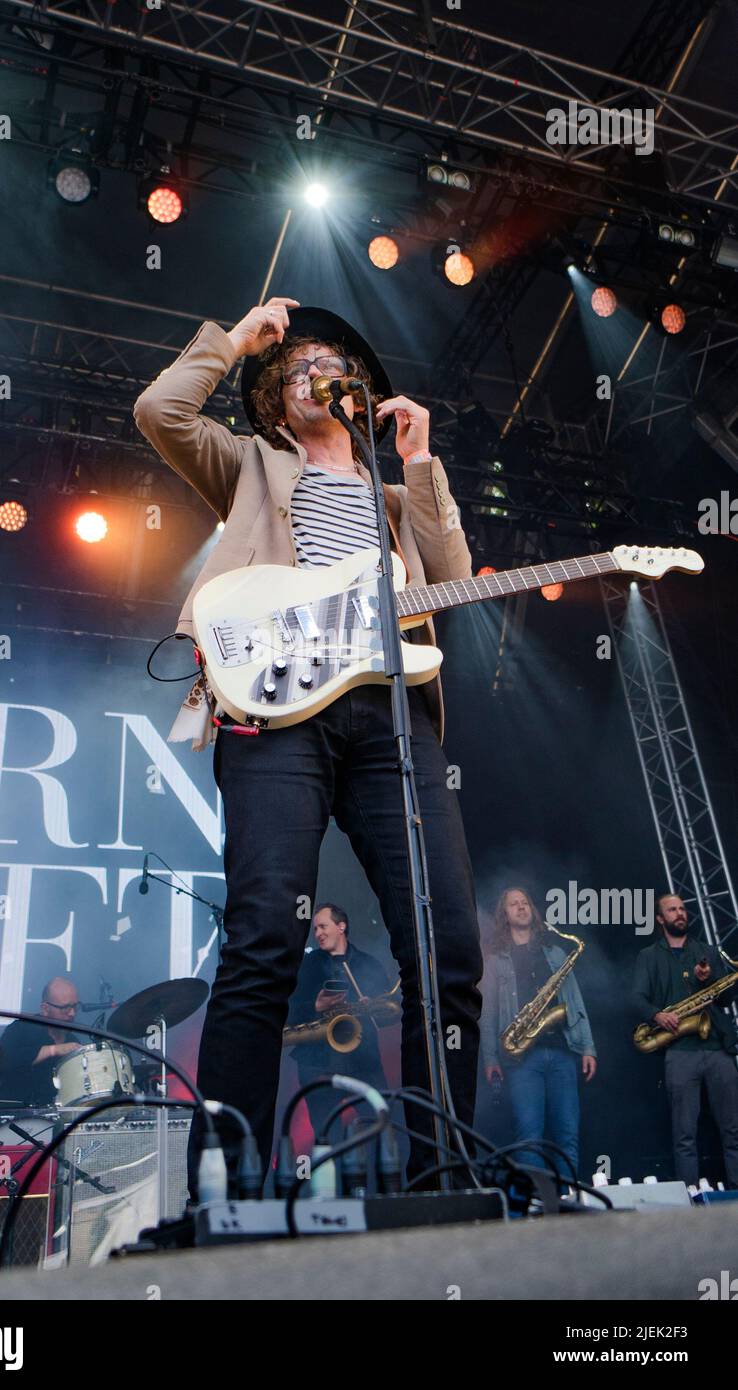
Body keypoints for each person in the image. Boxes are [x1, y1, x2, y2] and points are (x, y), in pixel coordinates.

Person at [133, 298, 482, 1189]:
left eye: (326, 367)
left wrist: (422, 465)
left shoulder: (397, 499)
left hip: (391, 720)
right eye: (293, 371)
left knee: (447, 951)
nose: (310, 376)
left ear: (359, 394)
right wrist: (235, 342)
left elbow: (453, 583)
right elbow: (160, 413)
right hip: (276, 715)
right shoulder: (250, 464)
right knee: (261, 940)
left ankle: (444, 1188)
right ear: (273, 401)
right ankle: (231, 1188)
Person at [481, 888, 596, 1183]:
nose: (521, 907)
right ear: (504, 915)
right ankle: (535, 1201)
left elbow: (575, 1000)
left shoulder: (555, 953)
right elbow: (489, 1011)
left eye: (525, 903)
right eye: (513, 904)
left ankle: (569, 1198)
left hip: (561, 1051)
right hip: (521, 1058)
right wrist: (491, 1057)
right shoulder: (496, 960)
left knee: (567, 1134)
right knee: (529, 1134)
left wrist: (588, 1047)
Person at [632, 892, 738, 1188]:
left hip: (718, 1049)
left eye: (682, 908)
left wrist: (708, 980)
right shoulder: (648, 956)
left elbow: (727, 997)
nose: (680, 913)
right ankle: (690, 1196)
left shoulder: (707, 952)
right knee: (684, 1134)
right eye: (672, 909)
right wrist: (657, 1016)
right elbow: (636, 998)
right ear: (660, 919)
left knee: (733, 1129)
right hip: (679, 1051)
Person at [286, 903, 393, 1142]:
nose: (318, 934)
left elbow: (391, 1013)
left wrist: (372, 1006)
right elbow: (287, 1010)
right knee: (326, 1138)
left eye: (323, 926)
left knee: (381, 1132)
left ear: (341, 926)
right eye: (315, 929)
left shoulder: (368, 964)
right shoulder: (306, 967)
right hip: (317, 1064)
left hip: (363, 1062)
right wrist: (316, 1007)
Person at [0, 976, 81, 1108]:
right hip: (14, 1115)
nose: (72, 1013)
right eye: (65, 1008)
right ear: (45, 1009)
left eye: (75, 1006)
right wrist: (53, 1050)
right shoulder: (21, 1028)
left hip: (55, 1118)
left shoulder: (72, 1040)